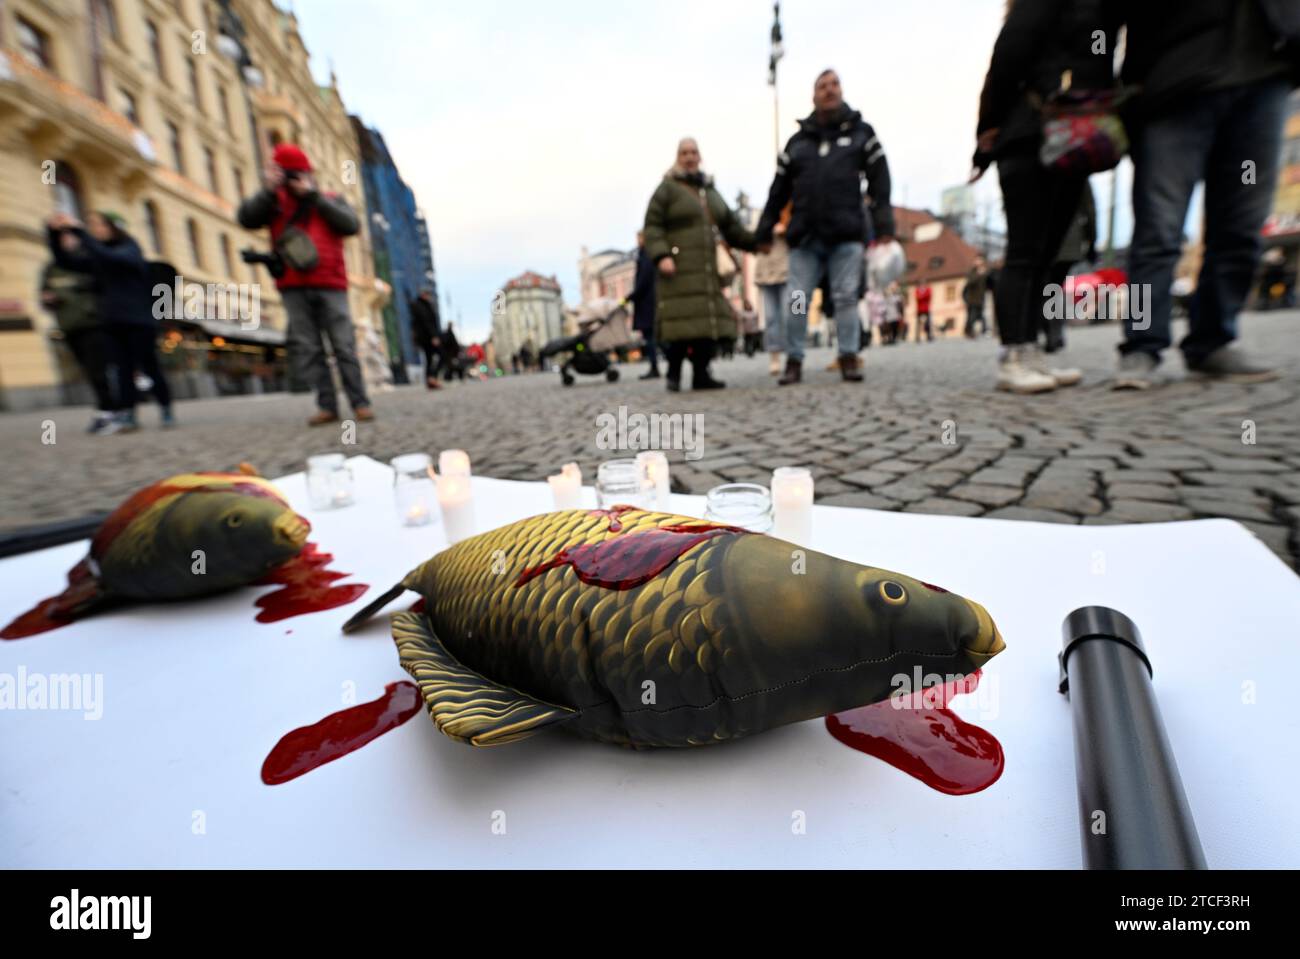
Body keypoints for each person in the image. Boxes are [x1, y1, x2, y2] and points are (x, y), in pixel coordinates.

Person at [1113, 0, 1297, 388]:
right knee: (1158, 229)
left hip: (1268, 74)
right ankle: (1141, 346)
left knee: (1241, 226)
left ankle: (1213, 340)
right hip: (1174, 80)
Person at [971, 0, 1120, 393]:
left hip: (1073, 135)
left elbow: (1101, 58)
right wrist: (987, 132)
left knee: (1045, 254)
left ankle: (1032, 348)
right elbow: (1005, 63)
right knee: (1024, 253)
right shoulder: (1037, 7)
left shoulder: (1095, 14)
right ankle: (1013, 353)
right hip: (1029, 135)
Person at [756, 69, 894, 385]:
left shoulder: (861, 133)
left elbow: (880, 179)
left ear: (841, 90)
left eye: (834, 85)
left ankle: (848, 355)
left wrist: (883, 223)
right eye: (822, 86)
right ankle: (794, 360)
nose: (829, 91)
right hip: (805, 237)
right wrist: (764, 230)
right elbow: (778, 191)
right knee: (797, 298)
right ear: (814, 95)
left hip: (846, 233)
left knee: (846, 297)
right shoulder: (797, 143)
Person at [238, 142, 374, 426]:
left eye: (296, 174)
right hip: (292, 284)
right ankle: (327, 405)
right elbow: (246, 218)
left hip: (331, 282)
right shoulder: (273, 203)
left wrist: (314, 197)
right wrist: (268, 190)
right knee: (310, 348)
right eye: (287, 174)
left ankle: (360, 402)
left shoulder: (330, 198)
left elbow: (351, 225)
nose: (292, 181)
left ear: (308, 174)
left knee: (343, 345)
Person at [642, 137, 757, 392]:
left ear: (700, 156)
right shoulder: (667, 189)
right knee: (679, 323)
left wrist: (756, 243)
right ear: (677, 157)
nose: (690, 157)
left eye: (694, 152)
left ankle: (701, 373)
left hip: (706, 270)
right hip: (678, 267)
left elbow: (730, 226)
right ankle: (673, 374)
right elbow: (652, 226)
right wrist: (662, 256)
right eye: (684, 153)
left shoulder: (709, 191)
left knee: (706, 323)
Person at [47, 211, 174, 432]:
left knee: (150, 367)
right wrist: (53, 233)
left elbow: (112, 258)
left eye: (99, 225)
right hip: (112, 322)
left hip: (139, 321)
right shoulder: (98, 258)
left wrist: (79, 231)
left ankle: (165, 407)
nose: (95, 230)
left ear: (113, 227)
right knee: (122, 371)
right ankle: (129, 414)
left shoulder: (129, 248)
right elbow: (65, 261)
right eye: (92, 226)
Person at [40, 232, 115, 431]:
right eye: (62, 239)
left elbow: (104, 288)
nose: (67, 242)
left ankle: (109, 410)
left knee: (99, 369)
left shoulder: (87, 262)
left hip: (93, 323)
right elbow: (44, 296)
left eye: (70, 237)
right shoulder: (51, 269)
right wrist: (48, 299)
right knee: (89, 369)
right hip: (69, 325)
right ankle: (107, 408)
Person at [754, 204, 790, 374]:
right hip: (767, 275)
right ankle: (774, 356)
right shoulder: (763, 222)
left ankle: (794, 353)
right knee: (770, 317)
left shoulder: (792, 215)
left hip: (792, 275)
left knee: (795, 313)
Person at [625, 230, 660, 379]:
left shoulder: (646, 255)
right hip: (649, 301)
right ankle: (655, 366)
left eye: (639, 238)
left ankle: (654, 367)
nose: (637, 241)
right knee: (652, 336)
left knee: (650, 337)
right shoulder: (647, 254)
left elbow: (643, 281)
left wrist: (631, 296)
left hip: (647, 303)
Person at [409, 288, 443, 389]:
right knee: (441, 355)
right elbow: (427, 322)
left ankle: (430, 380)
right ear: (424, 295)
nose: (429, 297)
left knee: (428, 359)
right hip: (428, 337)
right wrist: (434, 336)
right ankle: (432, 377)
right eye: (428, 295)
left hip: (423, 337)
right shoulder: (422, 306)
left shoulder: (418, 305)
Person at [961, 257, 990, 340]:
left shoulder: (984, 273)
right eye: (978, 262)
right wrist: (978, 274)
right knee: (972, 316)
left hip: (980, 299)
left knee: (981, 315)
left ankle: (983, 331)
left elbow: (987, 284)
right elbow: (970, 282)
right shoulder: (972, 272)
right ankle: (969, 332)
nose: (979, 264)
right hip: (972, 299)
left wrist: (984, 274)